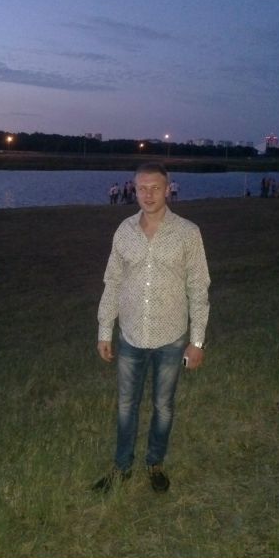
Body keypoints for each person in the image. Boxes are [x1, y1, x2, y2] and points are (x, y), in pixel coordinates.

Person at [94, 162, 210, 494]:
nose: (148, 194)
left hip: (171, 338)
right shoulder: (124, 231)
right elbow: (112, 282)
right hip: (131, 335)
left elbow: (198, 287)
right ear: (134, 190)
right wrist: (105, 330)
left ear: (168, 189)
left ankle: (155, 462)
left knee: (163, 406)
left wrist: (197, 341)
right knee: (126, 405)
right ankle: (122, 467)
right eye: (141, 188)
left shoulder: (188, 232)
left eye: (155, 188)